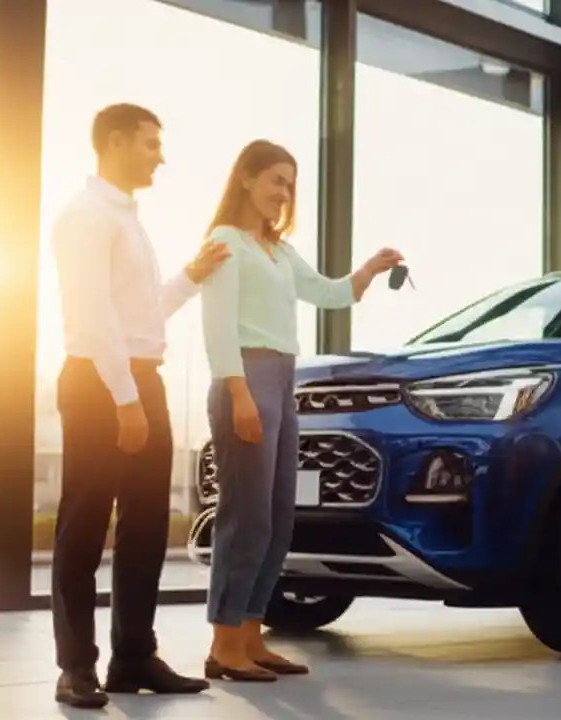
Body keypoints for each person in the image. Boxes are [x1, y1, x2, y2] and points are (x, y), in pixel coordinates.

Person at [199, 139, 403, 681]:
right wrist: (239, 392)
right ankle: (223, 643)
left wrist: (370, 269)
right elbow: (217, 327)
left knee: (278, 516)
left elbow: (330, 293)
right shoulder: (225, 242)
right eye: (276, 181)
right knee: (244, 517)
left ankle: (250, 634)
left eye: (290, 184)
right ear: (245, 178)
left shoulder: (277, 251)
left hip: (283, 382)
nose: (285, 194)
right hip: (244, 377)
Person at [50, 103, 229, 709]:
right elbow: (94, 317)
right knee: (84, 527)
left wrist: (191, 277)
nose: (160, 155)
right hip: (102, 384)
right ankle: (76, 667)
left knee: (147, 527)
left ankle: (133, 657)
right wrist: (126, 400)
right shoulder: (85, 215)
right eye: (151, 144)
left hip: (137, 380)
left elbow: (139, 312)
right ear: (117, 142)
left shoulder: (127, 218)